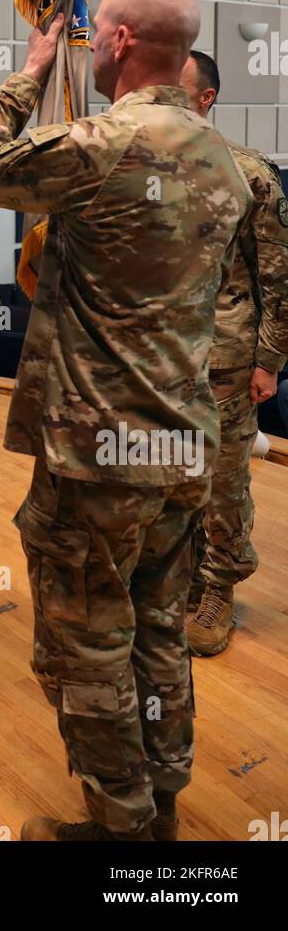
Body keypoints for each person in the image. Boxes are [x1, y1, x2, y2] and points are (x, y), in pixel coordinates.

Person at [0, 0, 251, 843]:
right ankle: (160, 811)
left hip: (100, 455)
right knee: (158, 627)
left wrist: (31, 71)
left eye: (95, 35)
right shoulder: (223, 155)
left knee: (87, 645)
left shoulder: (103, 143)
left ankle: (119, 834)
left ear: (115, 44)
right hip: (183, 446)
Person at [179, 50, 288, 655]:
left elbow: (280, 280)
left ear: (206, 98)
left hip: (226, 360)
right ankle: (186, 578)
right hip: (165, 362)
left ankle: (220, 587)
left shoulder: (250, 175)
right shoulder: (151, 172)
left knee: (221, 483)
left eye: (180, 88)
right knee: (174, 479)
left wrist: (270, 362)